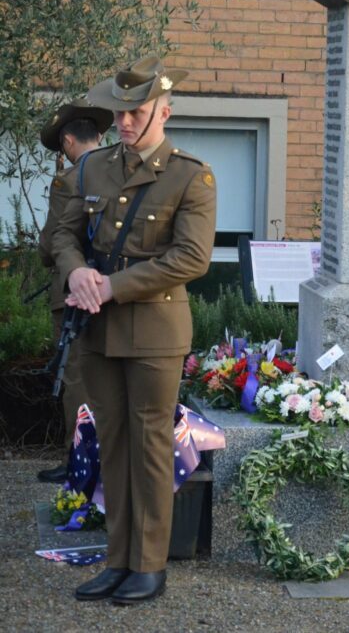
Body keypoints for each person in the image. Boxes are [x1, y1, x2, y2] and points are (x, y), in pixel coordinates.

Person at [52, 56, 217, 604]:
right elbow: (63, 235)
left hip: (153, 330)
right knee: (112, 443)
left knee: (148, 446)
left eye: (137, 112)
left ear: (163, 113)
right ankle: (118, 558)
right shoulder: (93, 167)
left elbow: (191, 259)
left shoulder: (191, 174)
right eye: (119, 112)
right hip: (97, 332)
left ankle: (149, 564)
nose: (124, 122)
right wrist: (76, 270)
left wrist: (111, 286)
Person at [36, 97, 113, 483]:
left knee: (76, 378)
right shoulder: (117, 172)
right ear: (100, 137)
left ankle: (79, 462)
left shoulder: (69, 179)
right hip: (113, 288)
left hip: (71, 292)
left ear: (67, 141)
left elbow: (53, 245)